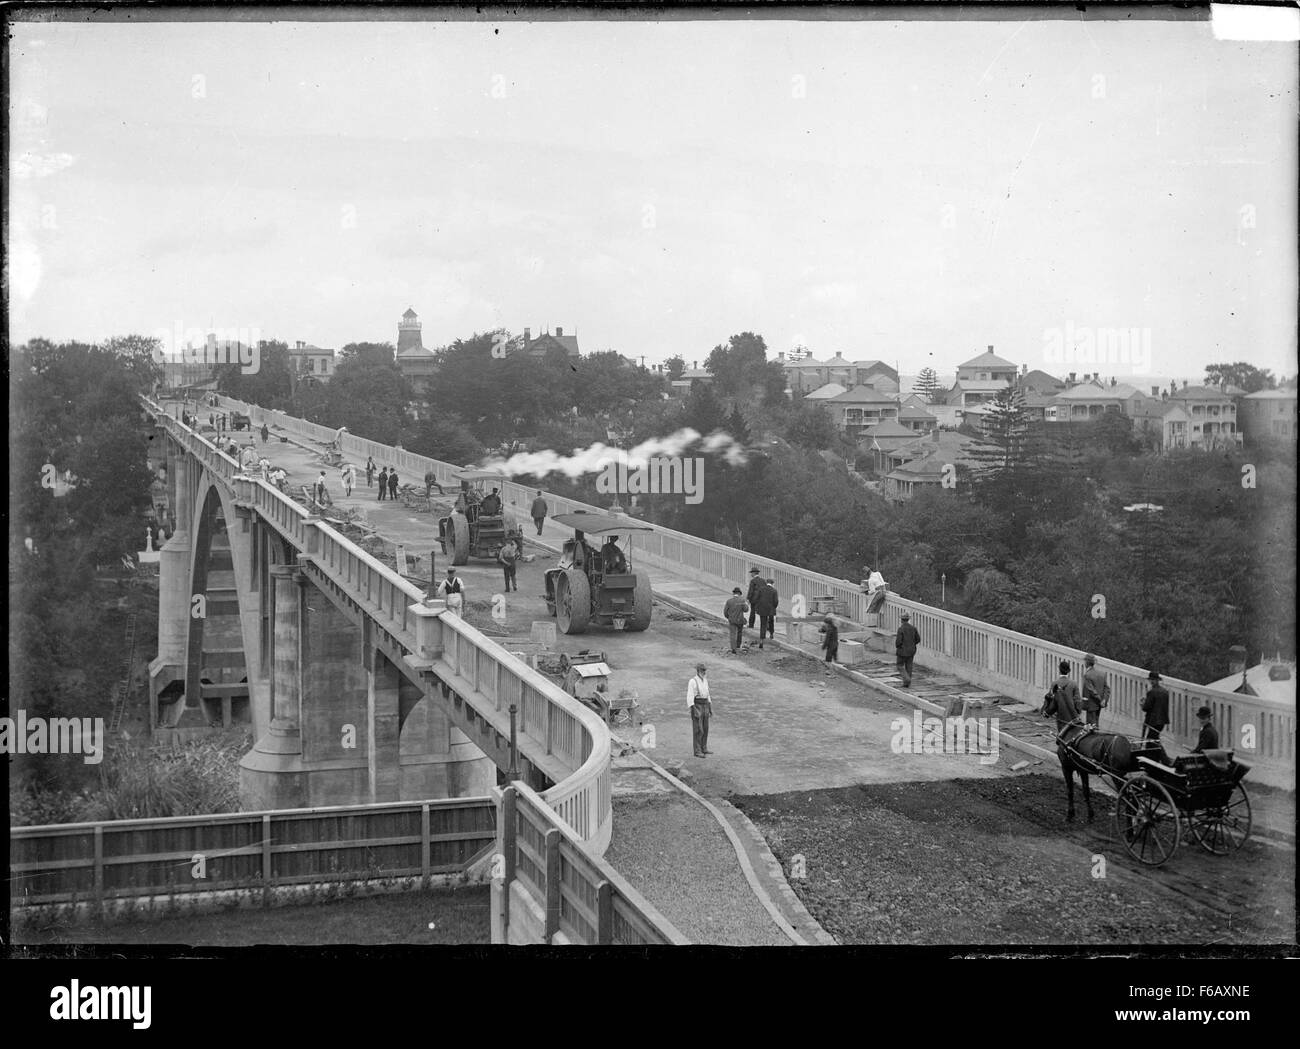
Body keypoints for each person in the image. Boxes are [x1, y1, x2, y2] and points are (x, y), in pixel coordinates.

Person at [1042, 660, 1083, 733]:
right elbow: (1077, 701)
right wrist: (1078, 712)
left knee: (1061, 734)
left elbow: (1051, 700)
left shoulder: (1055, 683)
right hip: (1072, 715)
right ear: (1069, 671)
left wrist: (1046, 712)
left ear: (1059, 670)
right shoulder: (1074, 684)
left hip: (1061, 715)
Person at [687, 662, 712, 757]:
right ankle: (697, 751)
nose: (704, 672)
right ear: (698, 670)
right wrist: (693, 709)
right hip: (697, 705)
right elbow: (690, 697)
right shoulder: (693, 681)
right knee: (698, 729)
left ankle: (704, 748)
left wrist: (710, 707)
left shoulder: (705, 680)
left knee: (705, 728)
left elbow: (708, 694)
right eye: (702, 670)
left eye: (705, 670)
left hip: (705, 704)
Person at [1081, 653, 1110, 727]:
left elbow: (1091, 691)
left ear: (1087, 662)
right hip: (1099, 705)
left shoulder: (1087, 675)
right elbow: (1107, 688)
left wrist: (1100, 700)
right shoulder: (1102, 674)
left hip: (1091, 705)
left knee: (1090, 726)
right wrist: (1104, 700)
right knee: (1096, 723)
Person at [1141, 670, 1170, 744]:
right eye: (1151, 680)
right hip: (1162, 721)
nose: (1151, 681)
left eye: (1153, 680)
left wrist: (1142, 704)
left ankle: (1159, 755)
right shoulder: (1165, 692)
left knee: (1150, 741)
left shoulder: (1151, 692)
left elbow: (1146, 708)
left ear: (1157, 680)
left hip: (1153, 721)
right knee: (1155, 739)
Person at [895, 612, 921, 687]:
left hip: (902, 651)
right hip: (912, 650)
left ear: (901, 620)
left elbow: (898, 641)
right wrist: (912, 645)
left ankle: (906, 679)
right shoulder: (913, 628)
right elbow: (918, 639)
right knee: (909, 666)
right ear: (908, 619)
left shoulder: (901, 629)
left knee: (899, 665)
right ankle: (907, 684)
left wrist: (898, 647)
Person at [754, 577, 779, 649]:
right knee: (771, 621)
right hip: (770, 609)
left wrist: (757, 607)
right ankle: (771, 634)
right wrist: (774, 607)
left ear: (766, 582)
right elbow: (776, 601)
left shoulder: (761, 589)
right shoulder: (774, 591)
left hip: (762, 609)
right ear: (772, 584)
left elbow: (757, 598)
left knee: (763, 624)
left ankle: (761, 640)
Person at [723, 587, 748, 654]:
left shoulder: (729, 601)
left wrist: (728, 617)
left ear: (733, 593)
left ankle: (733, 649)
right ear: (739, 593)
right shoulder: (742, 600)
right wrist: (746, 604)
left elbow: (725, 612)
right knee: (739, 633)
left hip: (732, 620)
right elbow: (746, 610)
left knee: (733, 634)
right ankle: (738, 646)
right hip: (740, 620)